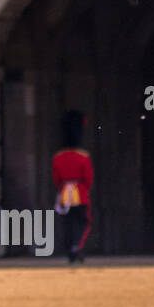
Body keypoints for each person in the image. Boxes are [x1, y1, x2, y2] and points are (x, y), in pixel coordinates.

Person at [52, 109, 93, 264]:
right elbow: (88, 179)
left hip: (64, 193)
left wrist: (63, 188)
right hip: (79, 192)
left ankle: (70, 248)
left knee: (68, 224)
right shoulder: (83, 156)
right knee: (84, 222)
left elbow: (56, 178)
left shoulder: (58, 157)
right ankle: (77, 246)